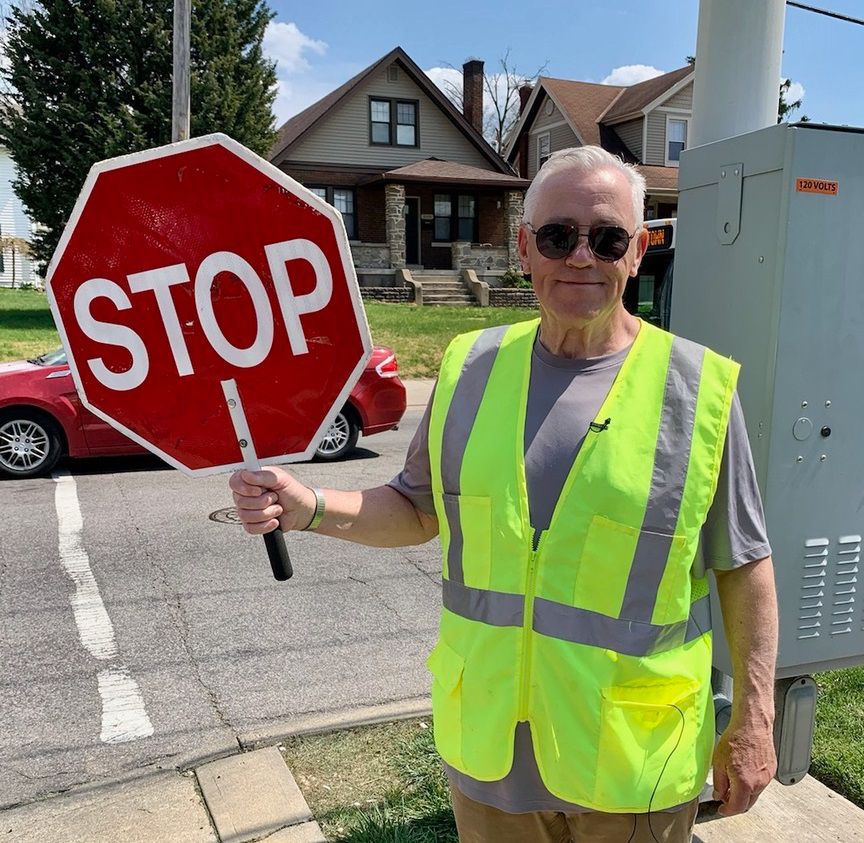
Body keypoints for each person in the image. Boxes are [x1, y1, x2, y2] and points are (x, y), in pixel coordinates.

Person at [230, 145, 778, 843]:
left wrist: (754, 718)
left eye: (607, 239)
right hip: (490, 757)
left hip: (634, 764)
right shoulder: (471, 366)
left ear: (639, 251)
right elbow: (417, 507)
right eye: (558, 236)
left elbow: (744, 564)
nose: (581, 256)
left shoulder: (697, 390)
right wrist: (307, 506)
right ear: (524, 247)